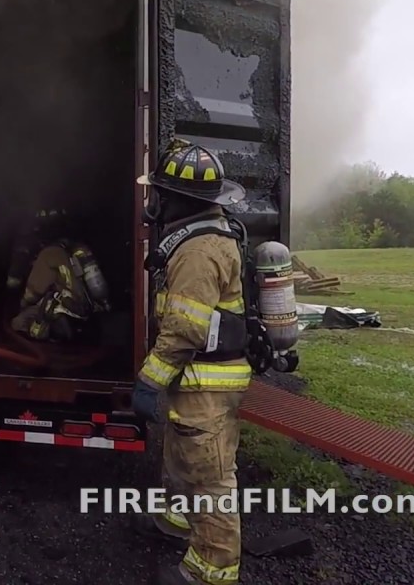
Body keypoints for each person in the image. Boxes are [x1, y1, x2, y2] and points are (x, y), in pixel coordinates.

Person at [130, 140, 253, 585]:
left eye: (159, 192)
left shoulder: (198, 252)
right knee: (184, 458)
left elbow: (185, 329)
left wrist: (148, 381)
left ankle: (211, 570)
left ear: (177, 199)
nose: (153, 201)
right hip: (200, 381)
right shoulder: (203, 237)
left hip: (208, 384)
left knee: (211, 478)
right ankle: (174, 522)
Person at [6, 209, 111, 342]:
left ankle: (52, 342)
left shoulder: (49, 254)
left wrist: (21, 304)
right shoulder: (79, 249)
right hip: (86, 312)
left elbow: (34, 292)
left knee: (18, 323)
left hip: (65, 312)